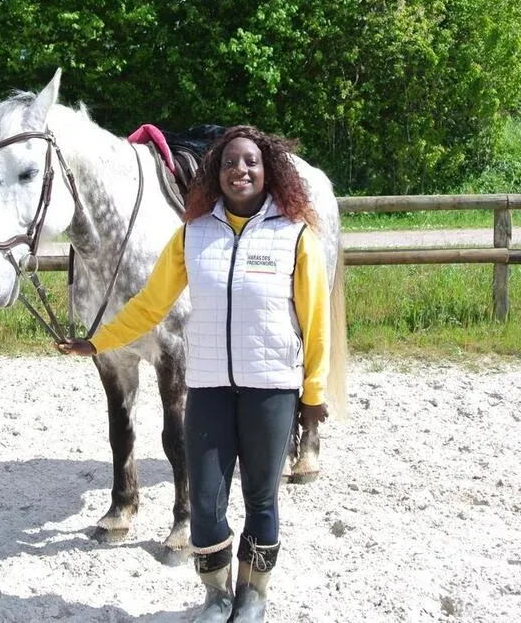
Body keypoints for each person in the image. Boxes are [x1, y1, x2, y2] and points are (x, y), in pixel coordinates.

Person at [57, 125, 330, 623]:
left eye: (250, 162)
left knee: (262, 499)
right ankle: (217, 595)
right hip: (208, 388)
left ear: (268, 171)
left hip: (271, 388)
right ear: (215, 173)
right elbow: (149, 306)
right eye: (229, 163)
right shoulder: (192, 235)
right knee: (205, 503)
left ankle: (254, 595)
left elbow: (315, 322)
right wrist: (97, 341)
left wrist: (313, 395)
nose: (240, 170)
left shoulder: (295, 235)